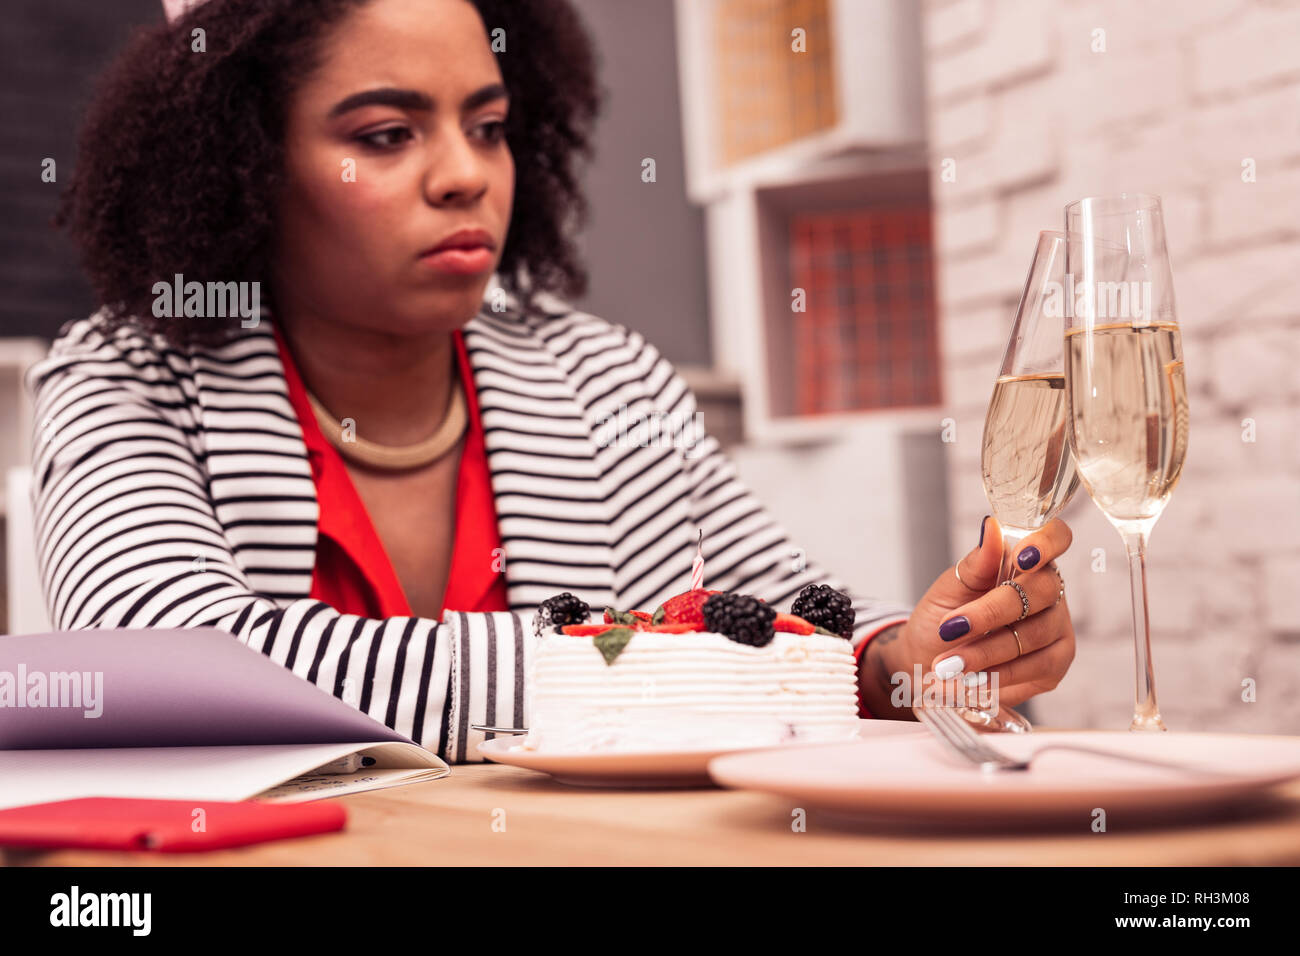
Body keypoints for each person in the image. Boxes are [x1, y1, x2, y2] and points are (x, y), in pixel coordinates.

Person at [31, 0, 1076, 762]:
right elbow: (176, 678)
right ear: (240, 162)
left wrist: (899, 662)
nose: (466, 173)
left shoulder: (605, 376)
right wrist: (661, 666)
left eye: (487, 126)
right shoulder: (123, 379)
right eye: (386, 135)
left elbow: (782, 613)